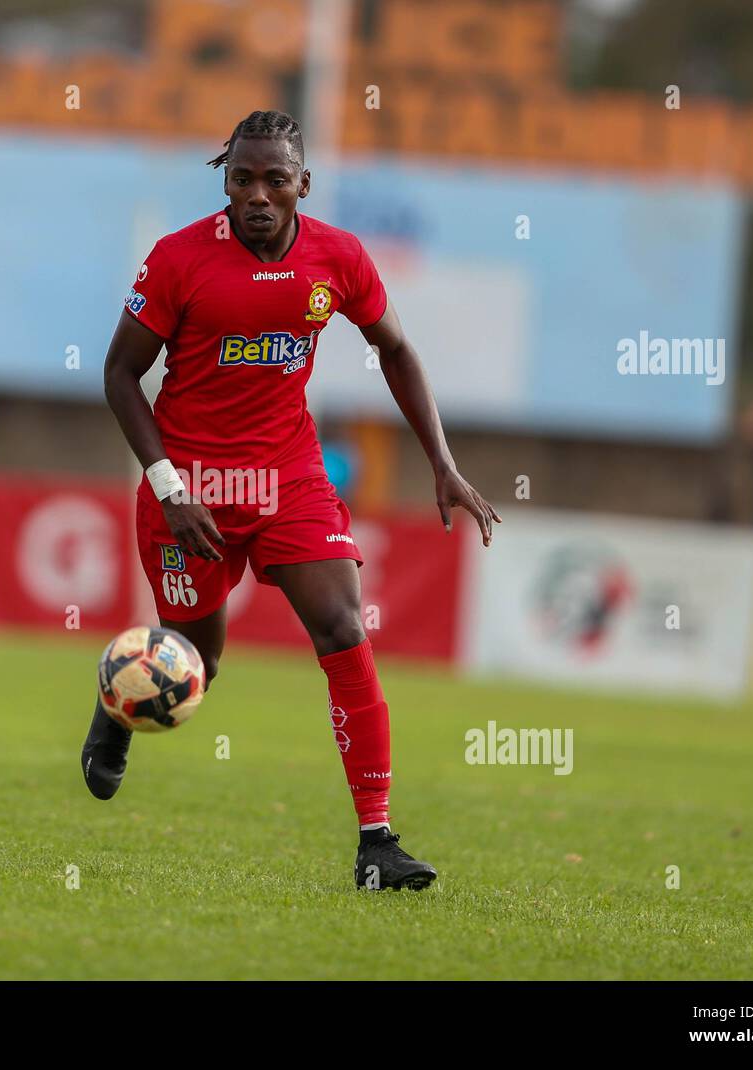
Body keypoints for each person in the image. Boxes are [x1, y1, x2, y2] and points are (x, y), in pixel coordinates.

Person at [81, 110, 500, 890]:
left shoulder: (338, 258)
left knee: (343, 626)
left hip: (287, 476)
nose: (259, 194)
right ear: (227, 181)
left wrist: (441, 461)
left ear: (303, 183)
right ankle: (116, 710)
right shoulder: (179, 261)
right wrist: (169, 486)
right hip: (192, 485)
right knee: (195, 664)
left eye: (277, 179)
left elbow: (397, 349)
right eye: (243, 178)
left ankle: (377, 842)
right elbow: (117, 374)